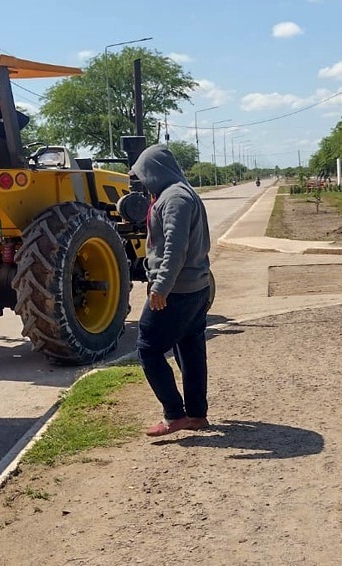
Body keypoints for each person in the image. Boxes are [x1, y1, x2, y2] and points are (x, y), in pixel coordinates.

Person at [130, 144, 213, 437]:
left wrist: (161, 286)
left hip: (177, 290)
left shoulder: (175, 198)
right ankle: (196, 414)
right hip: (195, 287)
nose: (142, 182)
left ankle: (174, 415)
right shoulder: (179, 193)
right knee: (190, 349)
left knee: (148, 348)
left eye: (143, 175)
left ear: (155, 171)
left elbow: (176, 249)